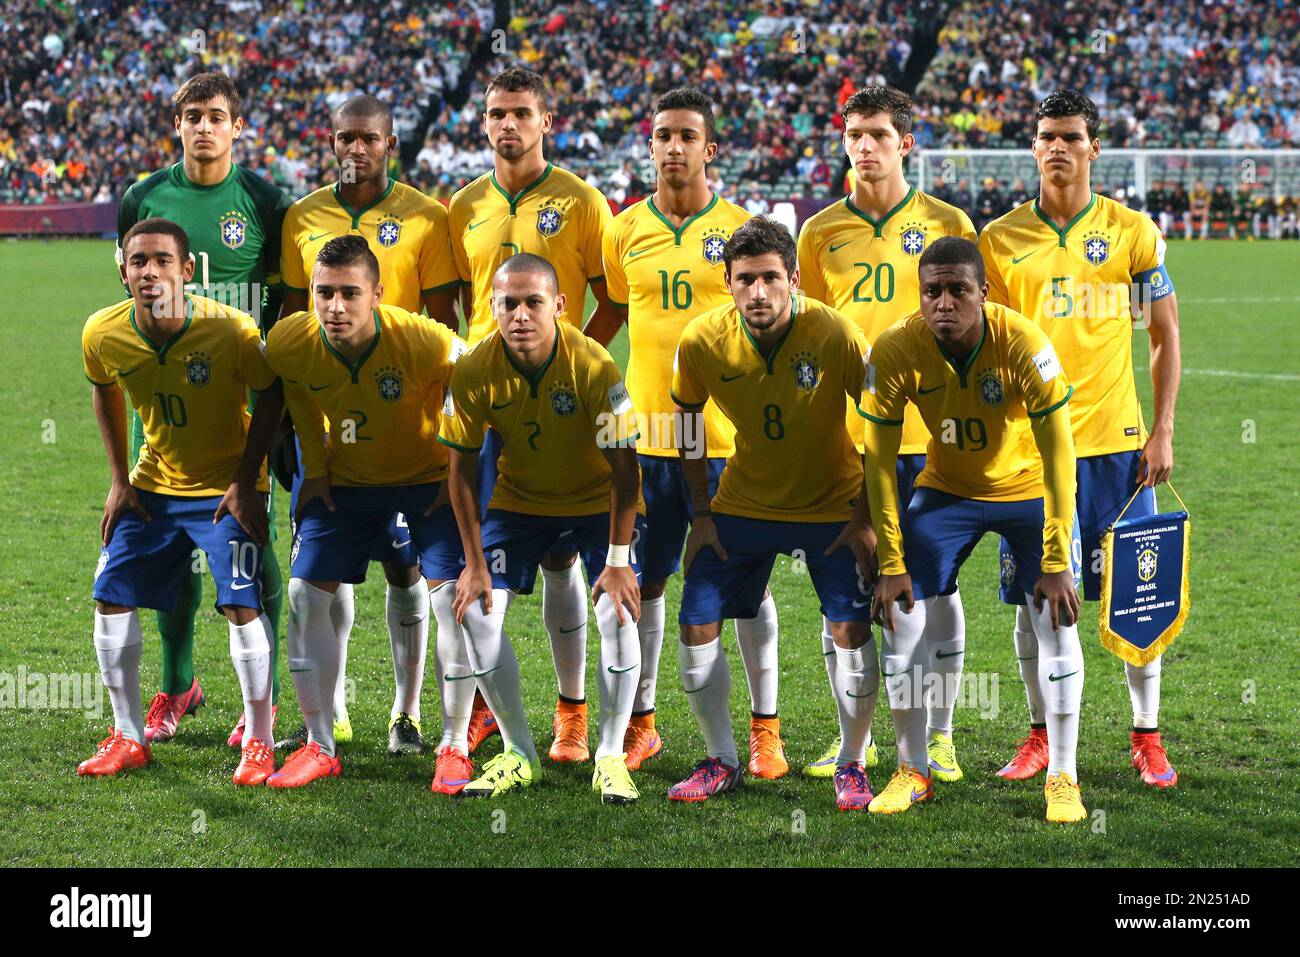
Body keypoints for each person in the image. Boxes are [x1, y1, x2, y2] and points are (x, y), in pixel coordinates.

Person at [979, 90, 1182, 790]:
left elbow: (1165, 334)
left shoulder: (1132, 231)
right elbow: (990, 350)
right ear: (1033, 148)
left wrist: (1161, 429)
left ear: (1095, 148)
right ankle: (1039, 735)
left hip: (1120, 450)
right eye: (1045, 136)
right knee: (1036, 602)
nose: (1057, 146)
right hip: (1033, 456)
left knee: (1138, 600)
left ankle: (1147, 737)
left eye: (1070, 136)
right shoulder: (999, 239)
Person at [276, 94, 486, 757]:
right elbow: (291, 320)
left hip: (409, 432)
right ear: (331, 141)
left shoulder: (428, 216)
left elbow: (446, 327)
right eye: (345, 138)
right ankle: (332, 712)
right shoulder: (302, 215)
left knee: (404, 571)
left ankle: (407, 712)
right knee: (321, 571)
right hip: (332, 436)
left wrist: (438, 438)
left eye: (369, 138)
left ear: (390, 144)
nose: (355, 148)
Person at [589, 88, 789, 778]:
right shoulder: (622, 231)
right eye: (662, 135)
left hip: (725, 442)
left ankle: (766, 730)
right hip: (645, 441)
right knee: (640, 586)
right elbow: (614, 315)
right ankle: (642, 726)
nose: (673, 147)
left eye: (686, 136)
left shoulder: (740, 230)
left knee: (746, 589)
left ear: (710, 148)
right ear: (650, 146)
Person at [862, 236, 1084, 821]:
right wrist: (891, 562)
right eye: (931, 291)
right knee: (904, 613)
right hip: (947, 490)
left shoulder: (1024, 343)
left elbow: (1061, 456)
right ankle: (914, 767)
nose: (944, 302)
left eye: (958, 290)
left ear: (983, 293)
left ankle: (1063, 776)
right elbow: (878, 464)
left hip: (1026, 490)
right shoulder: (895, 348)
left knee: (1055, 617)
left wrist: (1057, 558)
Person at [667, 217, 878, 810]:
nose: (757, 293)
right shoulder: (702, 339)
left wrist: (863, 517)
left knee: (850, 631)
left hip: (831, 505)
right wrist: (702, 516)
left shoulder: (835, 333)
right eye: (744, 281)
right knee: (696, 622)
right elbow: (686, 422)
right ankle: (722, 760)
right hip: (743, 502)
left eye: (769, 279)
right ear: (727, 283)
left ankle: (852, 762)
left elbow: (883, 425)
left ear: (794, 278)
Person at [797, 84, 976, 782]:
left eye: (877, 134)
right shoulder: (818, 233)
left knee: (935, 591)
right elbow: (809, 335)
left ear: (906, 143)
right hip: (846, 442)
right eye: (853, 135)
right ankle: (855, 742)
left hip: (930, 443)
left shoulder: (946, 221)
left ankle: (942, 735)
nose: (864, 147)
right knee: (842, 587)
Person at [447, 67, 623, 764]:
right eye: (497, 113)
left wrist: (571, 371)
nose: (508, 125)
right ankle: (492, 716)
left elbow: (611, 299)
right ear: (484, 122)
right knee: (477, 565)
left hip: (569, 404)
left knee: (561, 558)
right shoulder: (461, 205)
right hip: (493, 406)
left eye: (522, 112)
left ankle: (573, 715)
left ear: (547, 121)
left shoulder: (582, 201)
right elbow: (461, 304)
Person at [116, 72, 290, 747]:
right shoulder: (143, 197)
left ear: (237, 126)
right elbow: (130, 285)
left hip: (241, 407)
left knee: (250, 542)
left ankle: (263, 699)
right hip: (159, 404)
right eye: (192, 115)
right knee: (168, 547)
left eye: (217, 115)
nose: (204, 127)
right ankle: (179, 682)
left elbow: (282, 302)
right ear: (177, 124)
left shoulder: (265, 200)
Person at [80, 217, 284, 786]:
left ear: (187, 270)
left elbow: (272, 399)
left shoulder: (233, 330)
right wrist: (119, 479)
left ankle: (261, 741)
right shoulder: (102, 333)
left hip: (226, 487)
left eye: (163, 260)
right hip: (152, 483)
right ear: (123, 272)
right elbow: (104, 390)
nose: (150, 272)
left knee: (241, 604)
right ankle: (128, 736)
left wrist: (248, 479)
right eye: (138, 261)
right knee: (109, 596)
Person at [261, 236, 468, 788]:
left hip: (425, 483)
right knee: (305, 599)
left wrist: (453, 462)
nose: (335, 307)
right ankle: (320, 744)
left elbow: (468, 377)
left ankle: (453, 742)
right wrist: (317, 468)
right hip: (346, 483)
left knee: (453, 600)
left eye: (350, 293)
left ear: (377, 294)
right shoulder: (290, 341)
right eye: (323, 293)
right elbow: (300, 394)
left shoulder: (422, 340)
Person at [438, 253, 645, 804]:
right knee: (475, 614)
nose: (521, 315)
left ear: (559, 305)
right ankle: (519, 753)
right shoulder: (474, 368)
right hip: (519, 503)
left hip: (594, 501)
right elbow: (458, 474)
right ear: (492, 308)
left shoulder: (595, 365)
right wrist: (475, 565)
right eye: (509, 304)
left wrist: (619, 558)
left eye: (534, 303)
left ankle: (608, 755)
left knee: (617, 610)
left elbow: (627, 467)